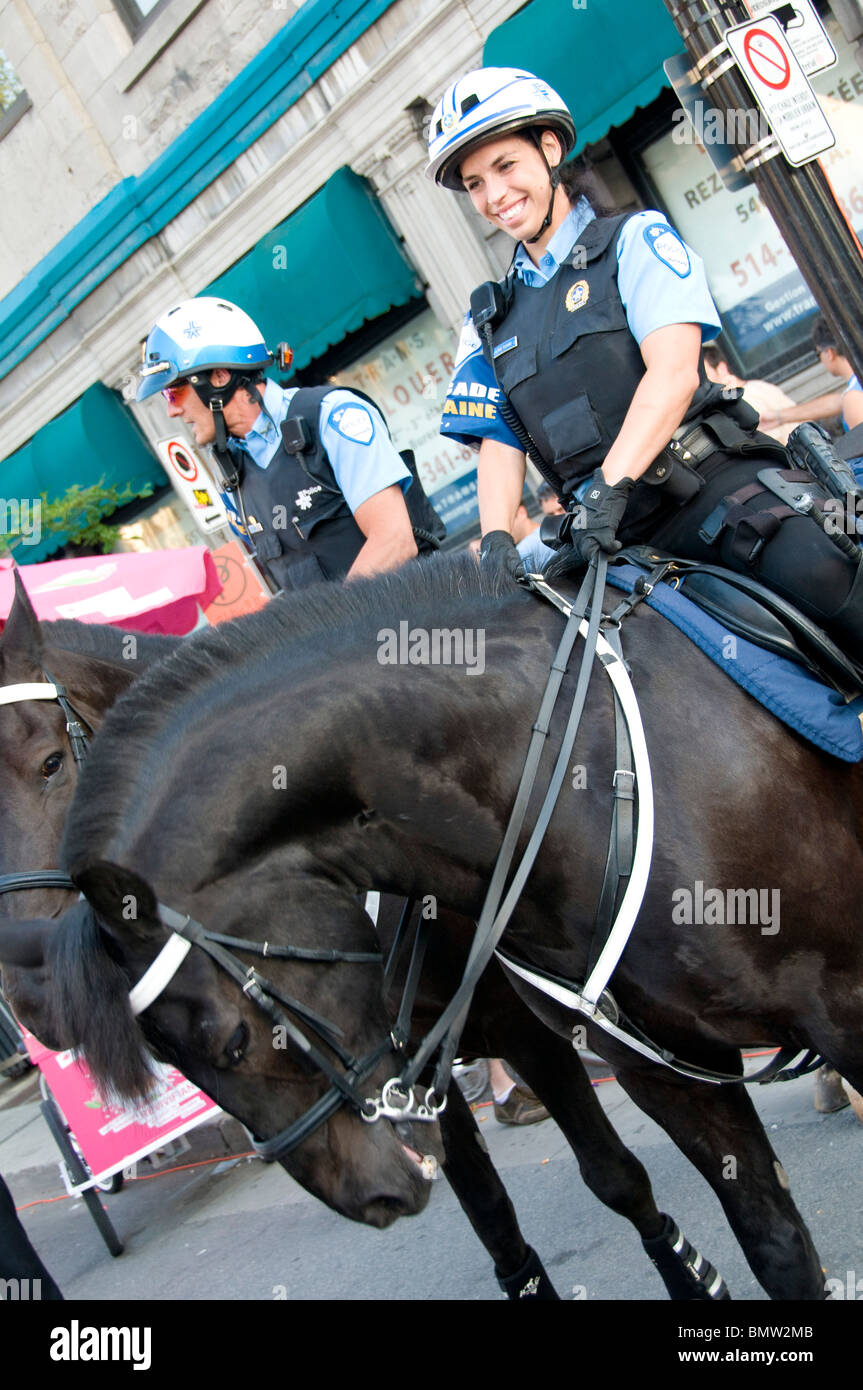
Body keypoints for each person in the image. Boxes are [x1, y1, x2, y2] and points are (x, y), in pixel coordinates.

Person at [426, 68, 863, 663]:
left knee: (829, 579)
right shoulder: (484, 322)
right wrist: (499, 539)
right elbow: (498, 442)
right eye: (474, 184)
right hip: (605, 541)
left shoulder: (633, 240)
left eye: (505, 166)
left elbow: (674, 373)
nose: (494, 195)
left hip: (711, 491)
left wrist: (609, 486)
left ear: (549, 148)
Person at [137, 298, 419, 591]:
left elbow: (395, 541)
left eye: (174, 393)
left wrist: (330, 628)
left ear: (219, 377)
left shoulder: (332, 416)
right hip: (336, 634)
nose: (172, 411)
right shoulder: (232, 477)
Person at [759, 317, 863, 438]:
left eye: (818, 354)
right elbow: (837, 402)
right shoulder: (853, 393)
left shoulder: (854, 398)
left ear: (829, 353)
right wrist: (779, 417)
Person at [701, 344, 796, 446]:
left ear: (722, 369)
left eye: (704, 375)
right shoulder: (757, 386)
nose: (702, 382)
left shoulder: (745, 398)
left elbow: (775, 444)